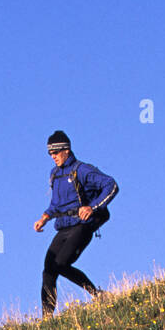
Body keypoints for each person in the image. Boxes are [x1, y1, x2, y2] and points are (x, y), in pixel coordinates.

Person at [34, 131, 118, 317]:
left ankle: (97, 294)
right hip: (63, 227)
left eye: (55, 152)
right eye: (50, 153)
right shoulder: (54, 174)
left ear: (66, 150)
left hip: (81, 225)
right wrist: (45, 217)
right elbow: (56, 204)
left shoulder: (82, 170)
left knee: (62, 263)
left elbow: (111, 185)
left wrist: (92, 207)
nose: (52, 156)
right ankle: (47, 320)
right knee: (48, 270)